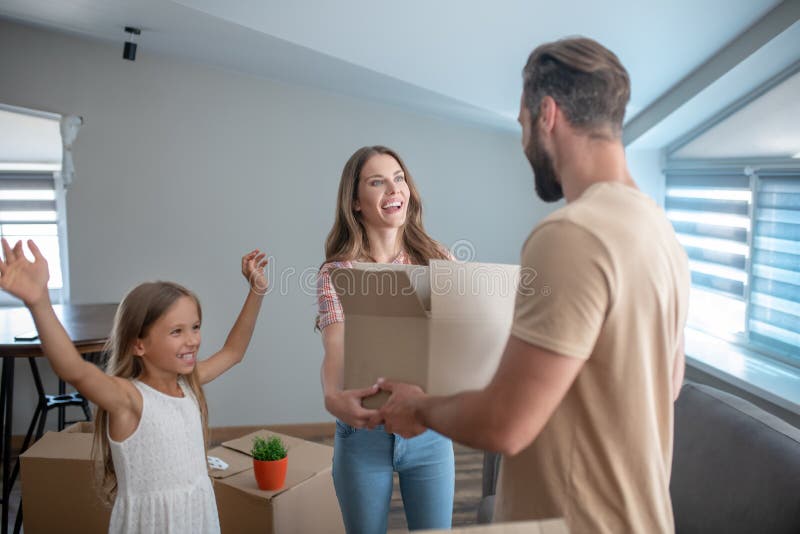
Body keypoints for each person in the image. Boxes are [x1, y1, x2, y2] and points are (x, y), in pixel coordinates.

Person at [376, 37, 690, 534]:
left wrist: (418, 407)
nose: (524, 143)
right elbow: (663, 384)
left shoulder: (571, 234)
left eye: (522, 126)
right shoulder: (660, 230)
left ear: (547, 115)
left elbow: (504, 424)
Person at [0, 238, 269, 534]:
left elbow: (234, 351)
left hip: (197, 517)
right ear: (138, 344)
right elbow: (74, 369)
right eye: (176, 331)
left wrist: (257, 291)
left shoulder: (189, 384)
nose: (192, 340)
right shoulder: (128, 398)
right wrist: (39, 303)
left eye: (195, 327)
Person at [317, 145, 455, 533]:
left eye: (399, 178)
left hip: (429, 432)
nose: (394, 189)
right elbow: (336, 343)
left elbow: (460, 337)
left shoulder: (438, 260)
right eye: (377, 182)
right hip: (363, 433)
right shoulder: (337, 272)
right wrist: (331, 396)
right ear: (356, 202)